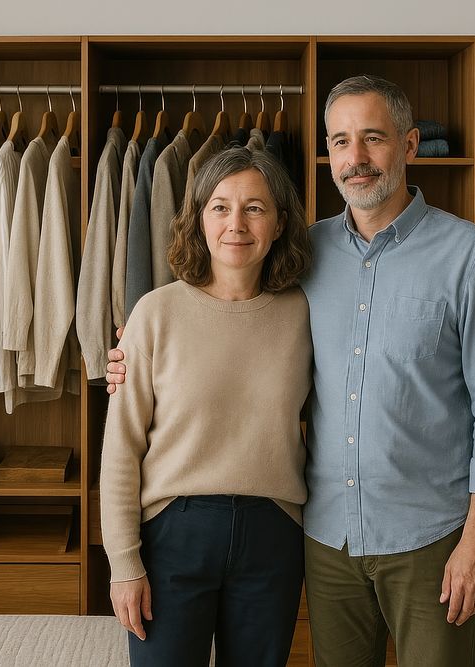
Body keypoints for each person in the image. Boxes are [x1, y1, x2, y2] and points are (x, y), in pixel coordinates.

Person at [107, 75, 475, 667]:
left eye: (372, 138)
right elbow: (221, 321)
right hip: (329, 539)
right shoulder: (306, 256)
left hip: (431, 536)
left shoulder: (469, 254)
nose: (355, 158)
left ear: (409, 145)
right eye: (340, 141)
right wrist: (131, 350)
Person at [100, 146, 313, 667]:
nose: (235, 224)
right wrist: (124, 564)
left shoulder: (307, 314)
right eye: (219, 207)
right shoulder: (155, 313)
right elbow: (121, 450)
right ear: (198, 219)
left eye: (255, 208)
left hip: (273, 534)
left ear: (280, 222)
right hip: (174, 533)